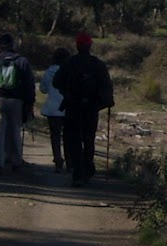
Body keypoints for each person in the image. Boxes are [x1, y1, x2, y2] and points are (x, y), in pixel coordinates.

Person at [54, 31, 115, 186]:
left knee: (74, 140)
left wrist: (67, 93)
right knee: (88, 139)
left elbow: (56, 82)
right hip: (91, 108)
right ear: (90, 45)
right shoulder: (98, 64)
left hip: (73, 107)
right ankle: (88, 168)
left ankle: (78, 172)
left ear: (77, 45)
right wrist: (102, 103)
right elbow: (107, 87)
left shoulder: (69, 63)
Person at [0, 32, 35, 175]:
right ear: (13, 45)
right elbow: (29, 84)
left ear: (0, 45)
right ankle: (16, 162)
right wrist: (29, 103)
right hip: (17, 101)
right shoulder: (22, 61)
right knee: (15, 131)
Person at [40, 47, 70, 172]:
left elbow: (43, 89)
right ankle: (70, 161)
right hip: (67, 107)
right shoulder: (69, 71)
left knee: (55, 136)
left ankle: (58, 159)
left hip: (52, 108)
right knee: (68, 136)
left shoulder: (49, 72)